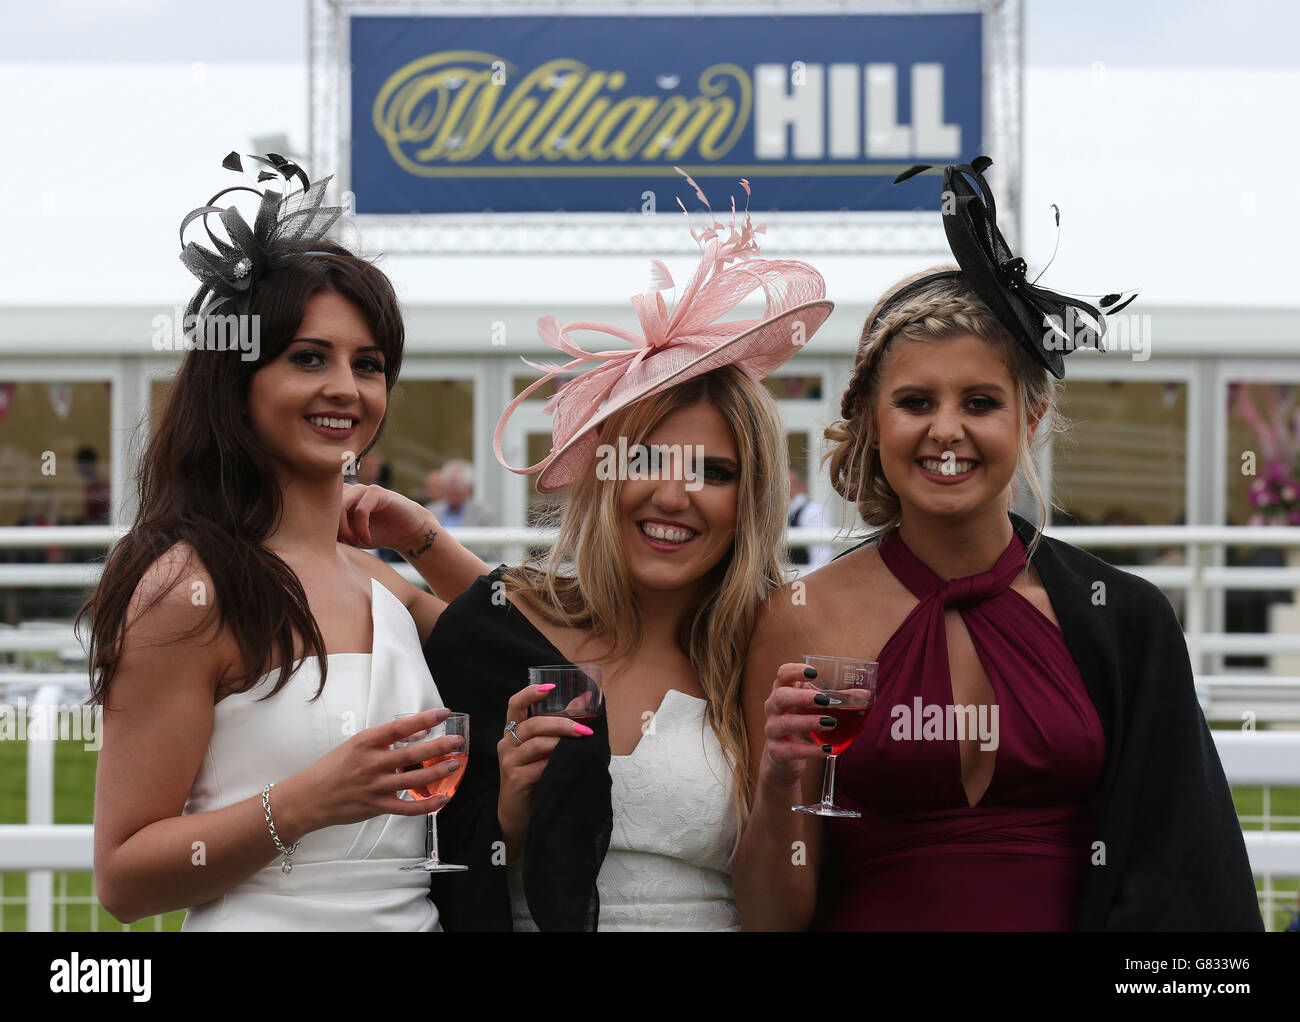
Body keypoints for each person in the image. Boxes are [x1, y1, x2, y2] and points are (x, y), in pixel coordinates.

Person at [735, 158, 1262, 931]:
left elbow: (1187, 869)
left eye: (980, 402)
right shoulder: (800, 618)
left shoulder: (1121, 618)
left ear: (1032, 416)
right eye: (916, 402)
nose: (946, 429)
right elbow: (770, 918)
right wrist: (779, 780)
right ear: (875, 423)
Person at [79, 153, 488, 931]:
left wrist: (425, 536)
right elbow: (124, 880)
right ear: (237, 384)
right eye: (309, 358)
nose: (346, 388)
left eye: (368, 366)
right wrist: (306, 802)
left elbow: (540, 643)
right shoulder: (186, 591)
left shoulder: (385, 583)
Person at [420, 175, 834, 930]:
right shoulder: (494, 634)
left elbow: (784, 917)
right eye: (648, 463)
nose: (674, 497)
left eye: (714, 472)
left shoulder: (765, 652)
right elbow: (431, 872)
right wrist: (509, 815)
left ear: (753, 500)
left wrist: (779, 780)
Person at [787, 465, 831, 568]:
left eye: (788, 484)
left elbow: (821, 554)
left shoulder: (812, 511)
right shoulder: (784, 511)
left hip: (803, 578)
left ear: (800, 486)